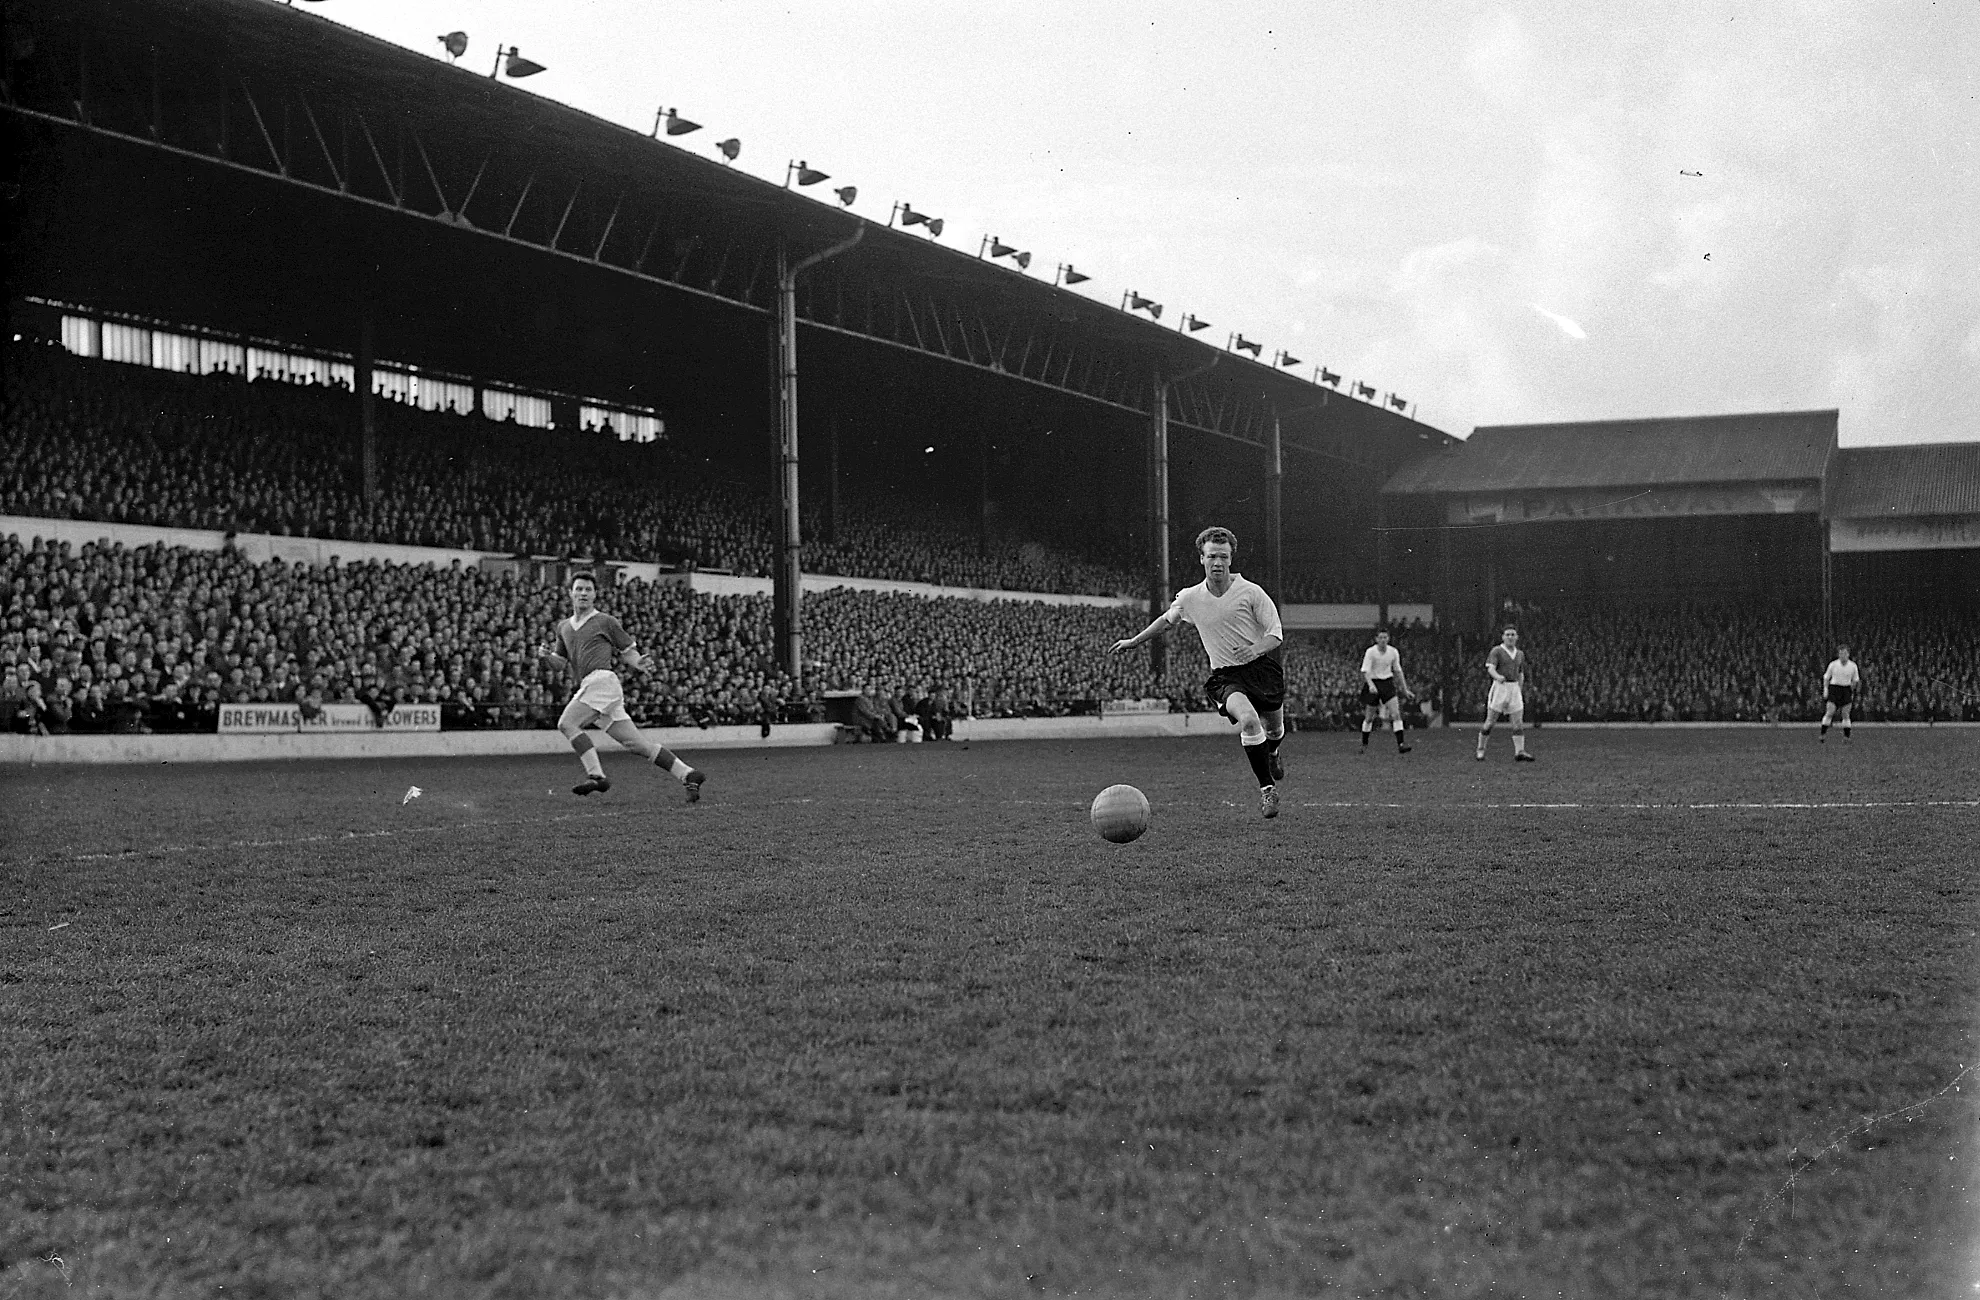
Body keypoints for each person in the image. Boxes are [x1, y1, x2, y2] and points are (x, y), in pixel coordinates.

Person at [1110, 526, 1287, 818]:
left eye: (1223, 556)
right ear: (1202, 558)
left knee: (1275, 731)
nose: (1218, 562)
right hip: (1227, 676)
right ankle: (1267, 789)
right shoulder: (1191, 597)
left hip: (1261, 670)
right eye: (1212, 556)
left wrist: (1255, 649)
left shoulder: (1251, 592)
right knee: (1248, 720)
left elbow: (1275, 634)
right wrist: (1134, 641)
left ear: (1231, 558)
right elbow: (1166, 620)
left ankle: (1273, 752)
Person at [538, 571, 706, 801]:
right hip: (592, 687)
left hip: (602, 681)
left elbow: (628, 651)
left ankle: (596, 775)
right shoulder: (563, 627)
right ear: (570, 593)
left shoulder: (606, 621)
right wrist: (546, 657)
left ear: (595, 594)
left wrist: (639, 662)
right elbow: (559, 664)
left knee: (567, 724)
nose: (583, 593)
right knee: (637, 745)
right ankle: (688, 774)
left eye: (588, 589)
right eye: (579, 589)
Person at [1476, 625, 1535, 762]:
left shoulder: (1520, 654)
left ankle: (1519, 751)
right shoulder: (1497, 651)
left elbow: (1520, 672)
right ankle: (1480, 749)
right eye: (1507, 634)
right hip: (1500, 687)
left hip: (1514, 687)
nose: (1510, 637)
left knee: (1518, 722)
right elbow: (1490, 668)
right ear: (1503, 637)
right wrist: (1498, 677)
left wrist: (1519, 688)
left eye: (1513, 634)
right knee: (1490, 722)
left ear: (1517, 637)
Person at [1358, 628, 1412, 755]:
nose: (1383, 640)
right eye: (1380, 637)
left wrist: (1405, 689)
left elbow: (1398, 671)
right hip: (1373, 682)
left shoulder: (1393, 652)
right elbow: (1365, 671)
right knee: (1369, 718)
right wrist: (1371, 685)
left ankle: (1401, 744)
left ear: (1388, 639)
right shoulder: (1371, 652)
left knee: (1396, 714)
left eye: (1385, 637)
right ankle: (1364, 744)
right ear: (1376, 639)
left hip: (1387, 683)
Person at [1820, 644, 1860, 742]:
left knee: (1845, 714)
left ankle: (1846, 737)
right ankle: (1822, 735)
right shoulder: (1833, 665)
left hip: (1846, 689)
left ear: (1848, 654)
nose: (1843, 656)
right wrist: (1826, 689)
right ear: (1838, 654)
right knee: (1830, 712)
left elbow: (1855, 680)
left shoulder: (1853, 666)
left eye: (1845, 653)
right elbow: (1826, 678)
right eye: (1841, 653)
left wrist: (1850, 691)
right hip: (1834, 689)